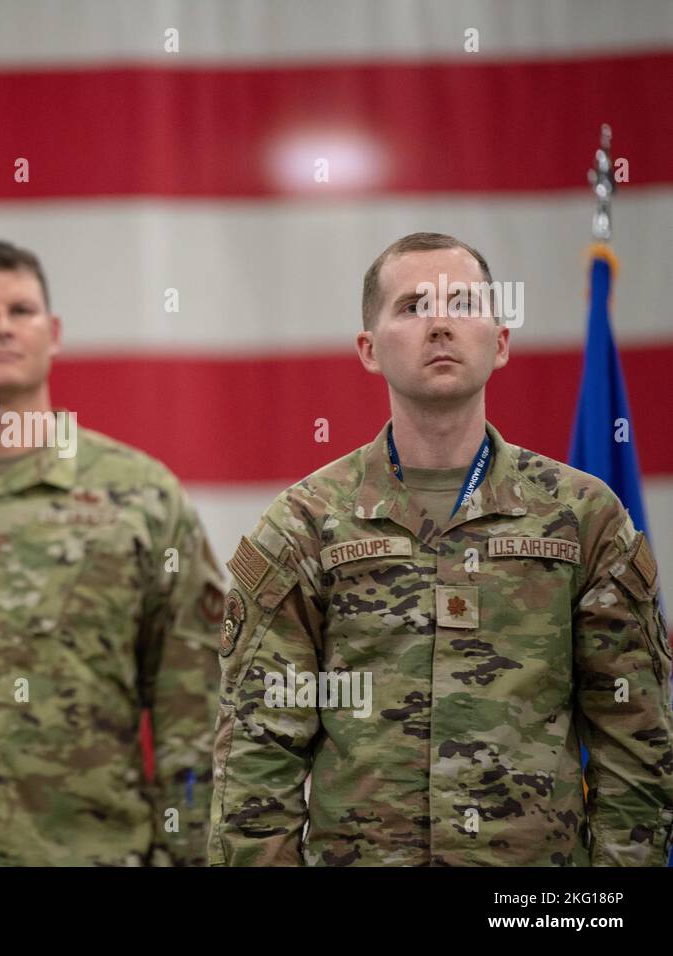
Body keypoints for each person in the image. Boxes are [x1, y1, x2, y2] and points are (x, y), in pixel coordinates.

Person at [209, 231, 673, 866]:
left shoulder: (583, 518)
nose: (440, 325)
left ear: (500, 342)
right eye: (412, 307)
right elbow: (258, 754)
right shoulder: (305, 525)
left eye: (463, 305)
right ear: (369, 350)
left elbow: (635, 745)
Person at [0, 239, 223, 865]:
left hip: (93, 852)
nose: (1, 326)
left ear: (52, 334)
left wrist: (190, 854)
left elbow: (196, 702)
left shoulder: (140, 497)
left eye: (20, 310)